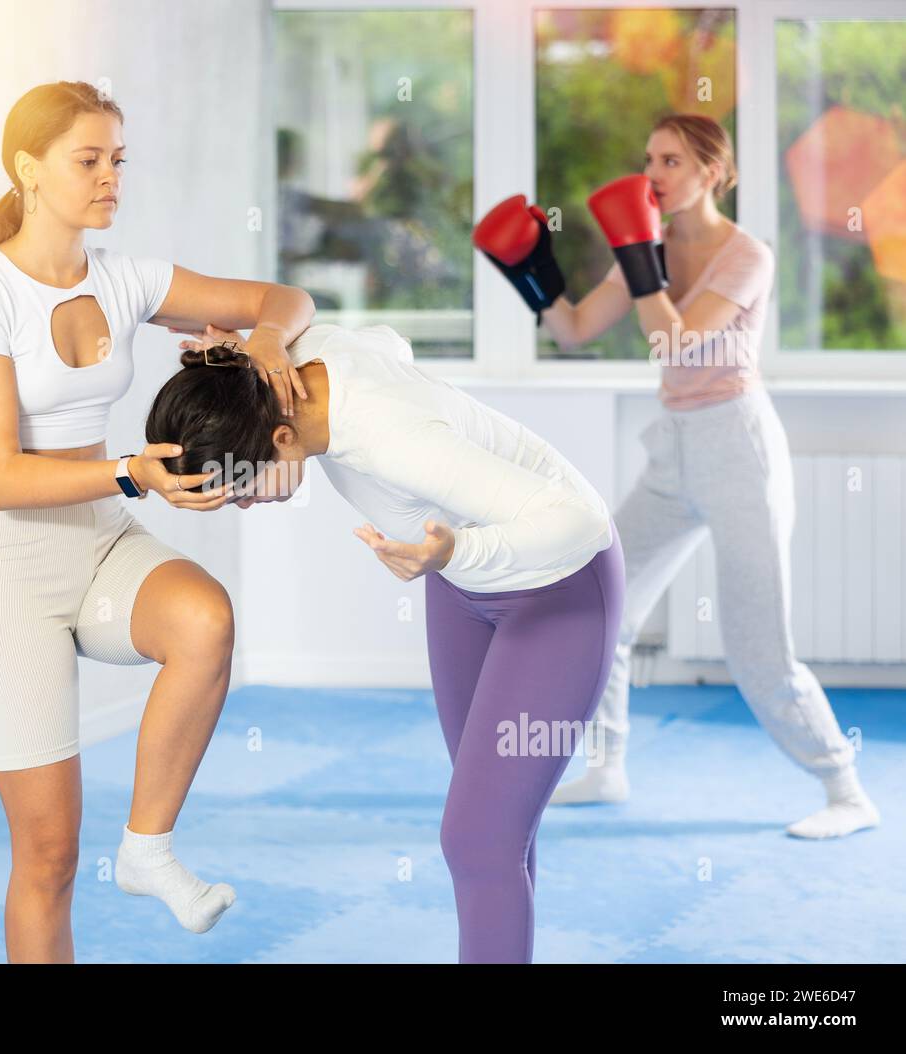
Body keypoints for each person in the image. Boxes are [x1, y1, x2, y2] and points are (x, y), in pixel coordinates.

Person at [0, 80, 315, 962]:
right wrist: (130, 473)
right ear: (29, 170)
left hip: (101, 542)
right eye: (89, 160)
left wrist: (261, 340)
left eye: (118, 160)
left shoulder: (126, 278)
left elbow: (286, 300)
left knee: (205, 619)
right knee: (49, 855)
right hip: (10, 575)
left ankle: (147, 850)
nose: (111, 177)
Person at [143, 322, 625, 964]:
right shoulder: (297, 365)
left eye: (239, 490)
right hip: (457, 587)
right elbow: (388, 341)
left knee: (478, 840)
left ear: (281, 437)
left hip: (557, 590)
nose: (243, 506)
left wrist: (462, 548)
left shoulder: (391, 439)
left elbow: (581, 521)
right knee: (498, 829)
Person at [474, 112, 878, 839]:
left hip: (738, 450)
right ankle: (608, 766)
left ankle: (845, 788)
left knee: (758, 648)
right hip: (673, 451)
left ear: (712, 174)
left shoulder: (745, 255)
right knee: (604, 608)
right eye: (649, 159)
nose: (653, 174)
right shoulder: (645, 247)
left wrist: (638, 256)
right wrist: (533, 271)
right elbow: (571, 331)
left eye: (671, 161)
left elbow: (679, 343)